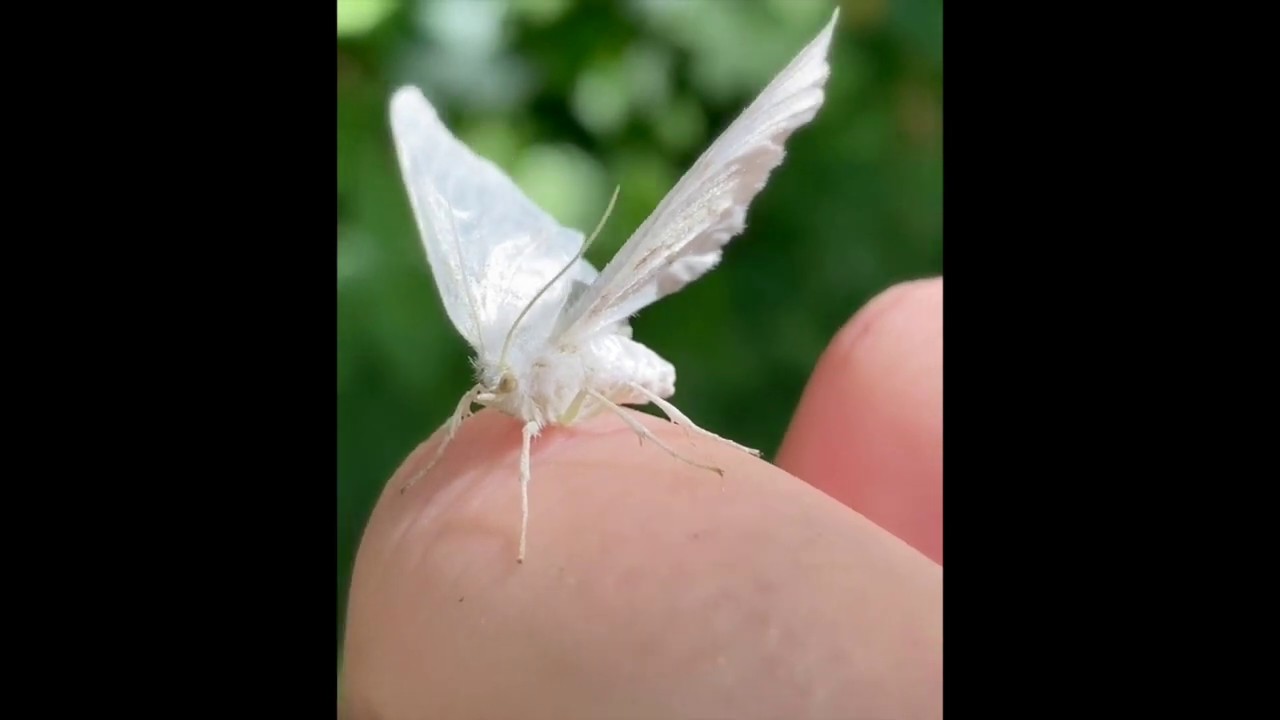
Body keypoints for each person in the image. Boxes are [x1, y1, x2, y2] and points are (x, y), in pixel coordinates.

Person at [340, 278, 943, 719]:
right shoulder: (500, 387)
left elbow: (585, 412)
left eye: (496, 386)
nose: (486, 393)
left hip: (621, 375)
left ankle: (694, 442)